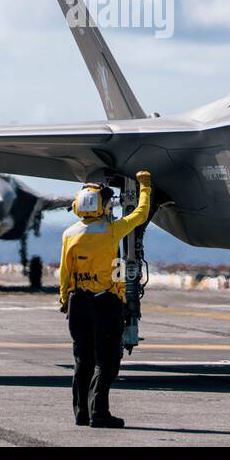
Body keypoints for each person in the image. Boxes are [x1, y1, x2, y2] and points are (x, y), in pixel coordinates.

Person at [59, 170, 152, 429]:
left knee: (83, 360)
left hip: (78, 303)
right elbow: (141, 213)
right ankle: (99, 414)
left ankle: (81, 413)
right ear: (102, 205)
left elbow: (65, 272)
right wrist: (144, 185)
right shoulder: (111, 230)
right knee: (106, 361)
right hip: (105, 303)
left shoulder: (69, 234)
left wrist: (64, 300)